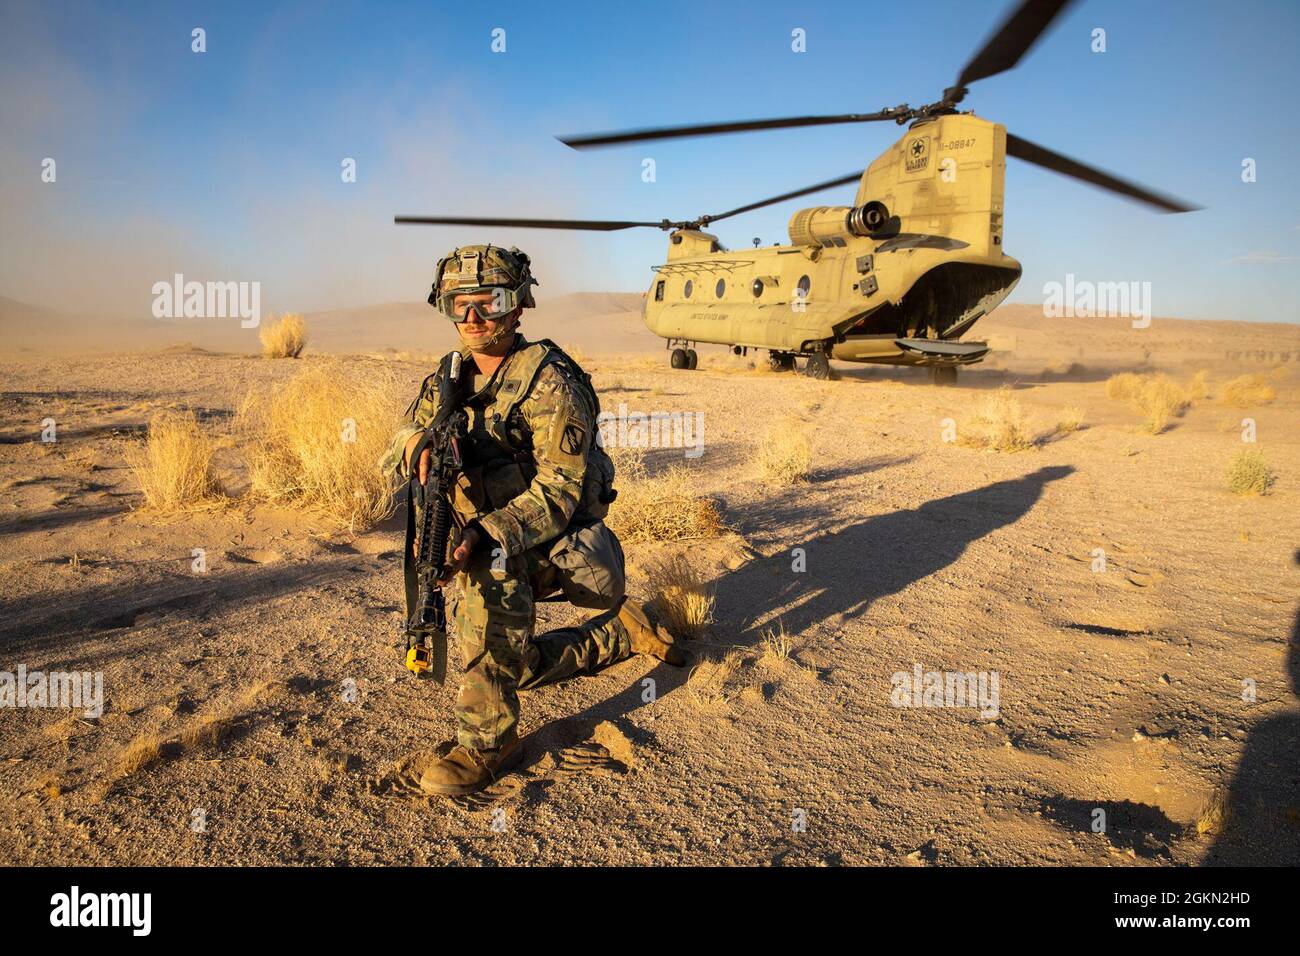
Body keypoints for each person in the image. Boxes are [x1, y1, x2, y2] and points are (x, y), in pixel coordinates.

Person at [380, 244, 685, 797]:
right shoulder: (449, 377)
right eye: (458, 304)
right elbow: (400, 437)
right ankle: (620, 634)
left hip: (549, 540)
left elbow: (560, 491)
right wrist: (413, 446)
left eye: (489, 302)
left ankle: (489, 744)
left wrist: (484, 534)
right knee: (507, 666)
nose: (473, 317)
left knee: (488, 583)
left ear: (518, 305)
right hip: (477, 534)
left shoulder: (550, 382)